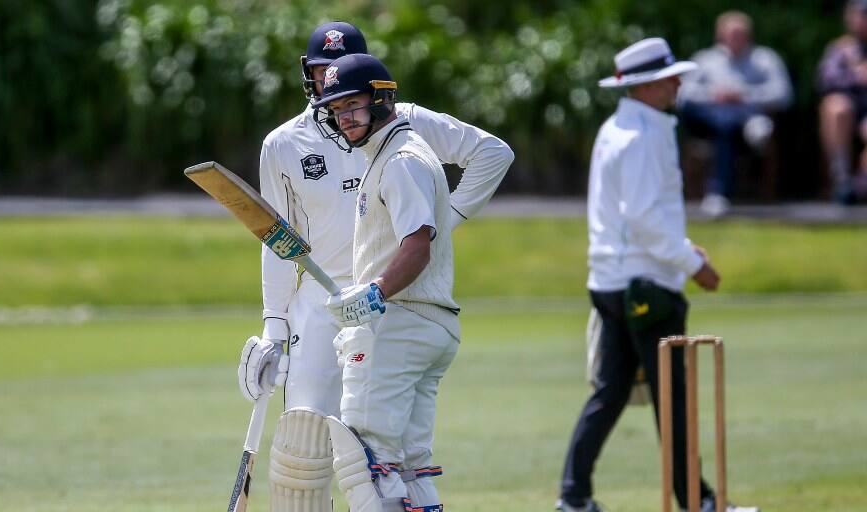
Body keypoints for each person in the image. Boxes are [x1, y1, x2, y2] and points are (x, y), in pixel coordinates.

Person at [236, 22, 513, 511]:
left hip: (391, 298)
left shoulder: (401, 125)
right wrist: (274, 328)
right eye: (322, 74)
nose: (332, 85)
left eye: (342, 77)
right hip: (324, 302)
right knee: (306, 440)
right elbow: (278, 242)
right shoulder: (284, 144)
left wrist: (438, 223)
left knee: (374, 453)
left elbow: (492, 154)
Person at [555, 38, 757, 512]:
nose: (678, 84)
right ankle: (698, 502)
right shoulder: (642, 136)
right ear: (644, 86)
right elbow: (644, 218)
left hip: (614, 278)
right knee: (674, 397)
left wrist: (682, 248)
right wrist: (693, 264)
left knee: (612, 392)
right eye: (669, 78)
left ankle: (574, 496)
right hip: (643, 283)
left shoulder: (621, 126)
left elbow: (641, 217)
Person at [311, 52, 458, 512]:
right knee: (410, 466)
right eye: (335, 110)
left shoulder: (400, 160)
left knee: (365, 458)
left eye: (352, 105)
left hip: (399, 324)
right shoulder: (398, 153)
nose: (345, 119)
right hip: (427, 324)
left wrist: (373, 295)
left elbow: (417, 246)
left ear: (382, 98)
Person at [677, 10, 793, 217]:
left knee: (729, 128)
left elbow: (783, 94)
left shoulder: (765, 59)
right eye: (732, 34)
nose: (737, 39)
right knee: (722, 124)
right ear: (720, 35)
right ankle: (719, 191)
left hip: (743, 121)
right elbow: (683, 94)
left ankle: (718, 192)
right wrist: (714, 95)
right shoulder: (704, 60)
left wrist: (745, 95)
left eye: (741, 34)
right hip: (708, 122)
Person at [818, 0, 867, 204]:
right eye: (860, 15)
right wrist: (856, 76)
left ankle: (860, 185)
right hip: (851, 106)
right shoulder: (840, 48)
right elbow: (826, 80)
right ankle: (842, 179)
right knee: (836, 108)